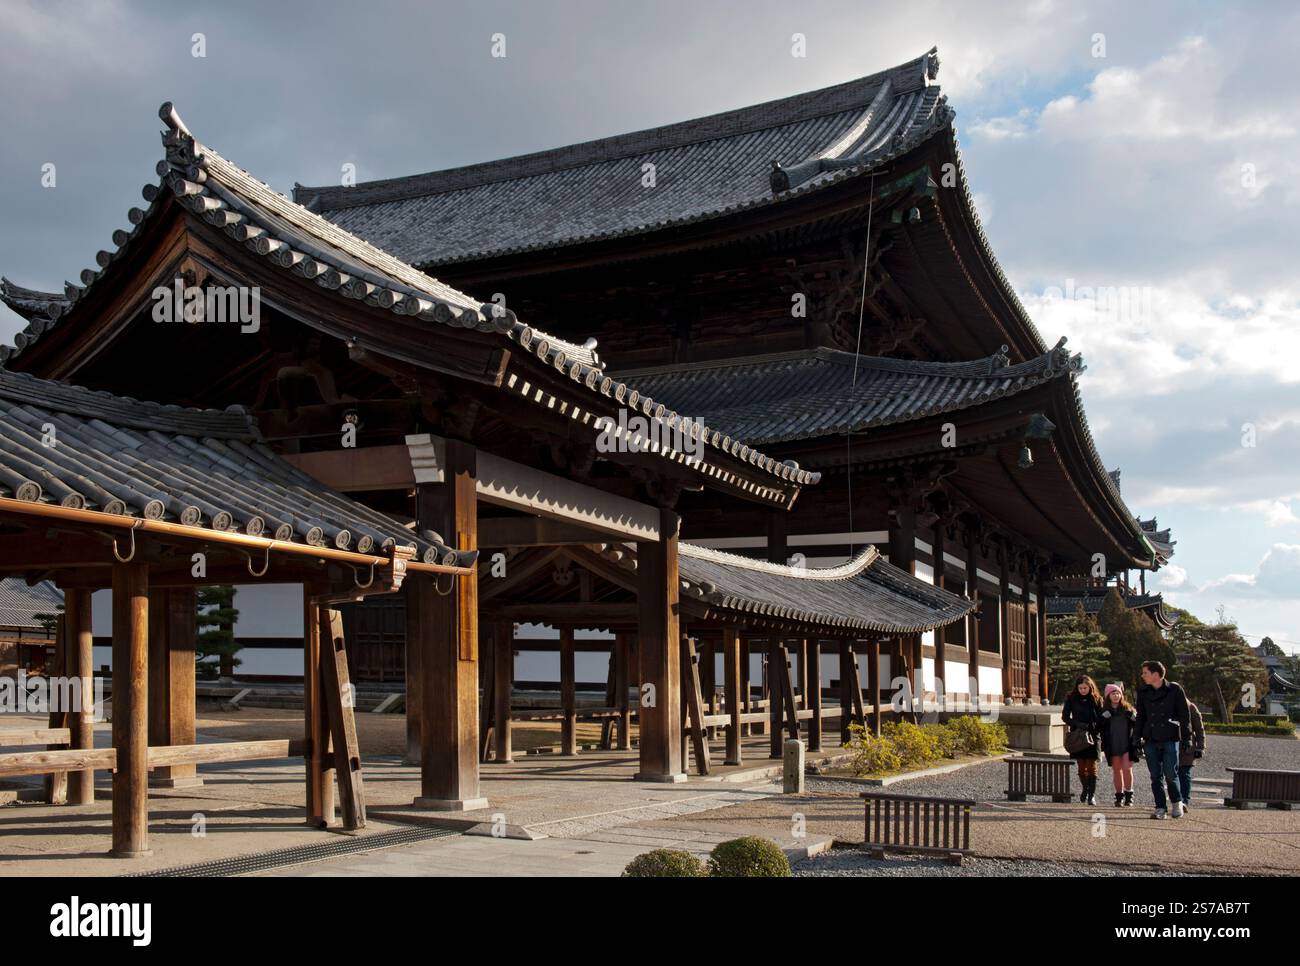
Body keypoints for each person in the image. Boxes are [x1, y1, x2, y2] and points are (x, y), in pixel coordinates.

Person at [1134, 661, 1192, 819]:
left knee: (1170, 773)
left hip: (1170, 737)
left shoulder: (1175, 689)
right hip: (1150, 737)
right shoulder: (1143, 691)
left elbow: (1184, 716)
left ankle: (1176, 802)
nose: (1142, 675)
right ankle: (1160, 807)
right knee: (1155, 775)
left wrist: (1187, 738)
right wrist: (1136, 738)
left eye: (1145, 672)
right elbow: (1140, 716)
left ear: (1155, 674)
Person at [1061, 675, 1103, 805]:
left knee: (1092, 767)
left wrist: (1095, 726)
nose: (1083, 690)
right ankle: (1085, 788)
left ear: (1090, 687)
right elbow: (1065, 717)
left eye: (1085, 688)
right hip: (1078, 734)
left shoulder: (1097, 699)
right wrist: (1079, 724)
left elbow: (1101, 717)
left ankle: (1092, 795)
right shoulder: (1071, 698)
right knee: (1081, 767)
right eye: (1080, 688)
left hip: (1093, 734)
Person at [1099, 683, 1139, 807]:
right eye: (1113, 693)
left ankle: (1129, 795)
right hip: (1112, 745)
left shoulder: (1128, 709)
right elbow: (1098, 726)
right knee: (1117, 771)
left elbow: (1138, 723)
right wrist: (1103, 719)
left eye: (1118, 693)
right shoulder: (1105, 711)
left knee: (1127, 768)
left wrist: (1133, 717)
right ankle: (1118, 796)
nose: (1116, 695)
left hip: (1127, 744)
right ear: (1108, 696)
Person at [1178, 700, 1206, 809]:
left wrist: (1200, 747)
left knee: (1184, 774)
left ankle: (1184, 800)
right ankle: (1177, 800)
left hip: (1187, 748)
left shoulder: (1191, 707)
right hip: (1171, 746)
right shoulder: (1167, 705)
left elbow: (1199, 729)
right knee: (1172, 775)